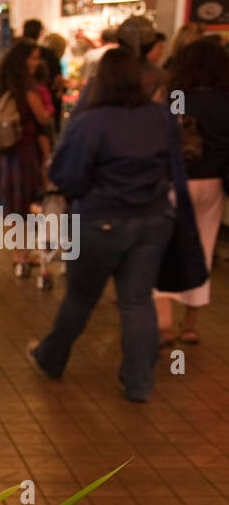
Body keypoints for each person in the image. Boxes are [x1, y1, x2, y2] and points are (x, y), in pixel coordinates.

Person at [28, 48, 174, 403]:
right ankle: (139, 383)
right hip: (153, 219)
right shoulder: (160, 116)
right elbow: (173, 164)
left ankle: (52, 357)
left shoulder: (91, 122)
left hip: (100, 221)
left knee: (80, 297)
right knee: (137, 301)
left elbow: (67, 175)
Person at [155, 37, 229, 345]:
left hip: (177, 180)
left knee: (164, 247)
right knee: (203, 249)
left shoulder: (178, 95)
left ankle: (165, 323)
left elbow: (168, 128)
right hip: (214, 182)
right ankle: (191, 326)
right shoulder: (225, 98)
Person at [0, 40, 54, 269]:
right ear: (22, 61)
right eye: (33, 58)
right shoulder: (27, 88)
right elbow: (42, 119)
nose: (36, 63)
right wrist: (49, 110)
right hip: (21, 152)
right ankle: (20, 254)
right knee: (20, 204)